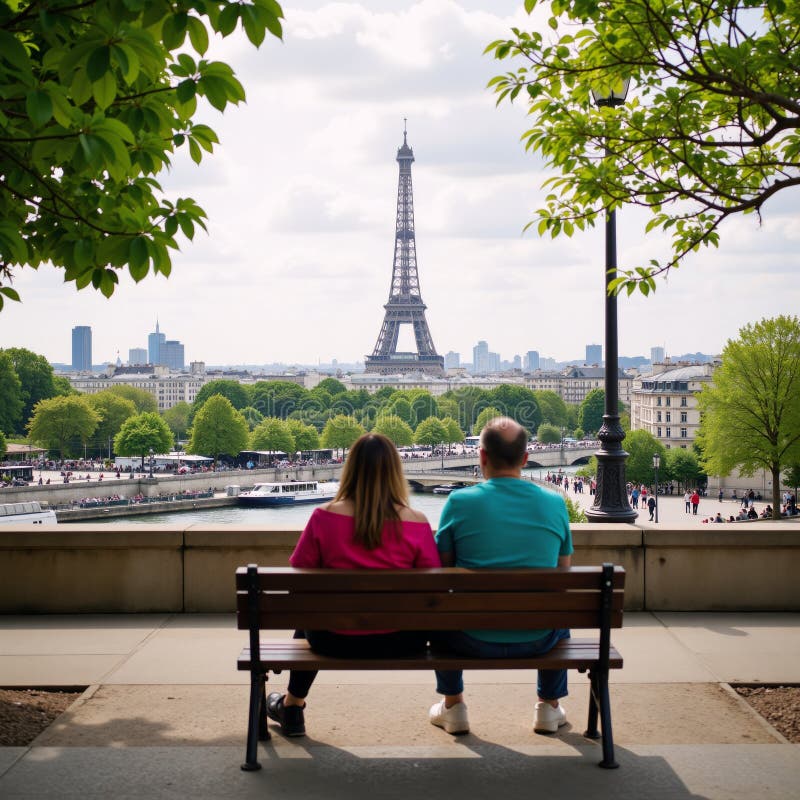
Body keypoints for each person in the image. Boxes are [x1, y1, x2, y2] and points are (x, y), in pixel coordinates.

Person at [265, 433, 440, 737]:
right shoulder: (417, 521)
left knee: (312, 611)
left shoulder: (323, 517)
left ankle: (292, 707)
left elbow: (299, 576)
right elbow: (433, 587)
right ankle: (292, 706)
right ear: (395, 472)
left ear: (350, 469)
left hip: (332, 640)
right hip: (403, 642)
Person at [428, 417, 573, 736]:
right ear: (525, 458)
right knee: (559, 608)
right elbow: (563, 572)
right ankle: (548, 707)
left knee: (442, 611)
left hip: (470, 637)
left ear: (481, 457)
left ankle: (454, 706)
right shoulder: (554, 502)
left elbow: (442, 571)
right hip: (539, 637)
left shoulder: (458, 502)